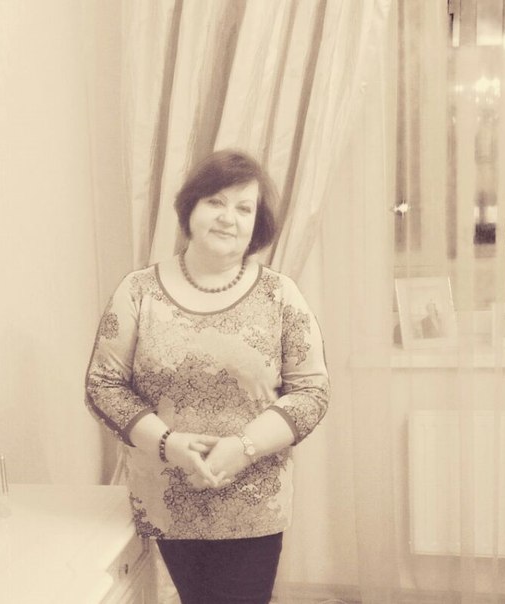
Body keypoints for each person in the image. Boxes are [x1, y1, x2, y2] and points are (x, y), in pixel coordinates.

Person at [85, 149, 330, 604]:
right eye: (215, 201)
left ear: (257, 224)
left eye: (244, 208)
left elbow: (311, 392)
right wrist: (169, 444)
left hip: (253, 500)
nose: (227, 218)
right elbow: (103, 385)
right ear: (191, 208)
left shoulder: (280, 295)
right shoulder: (138, 291)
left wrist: (243, 448)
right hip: (167, 495)